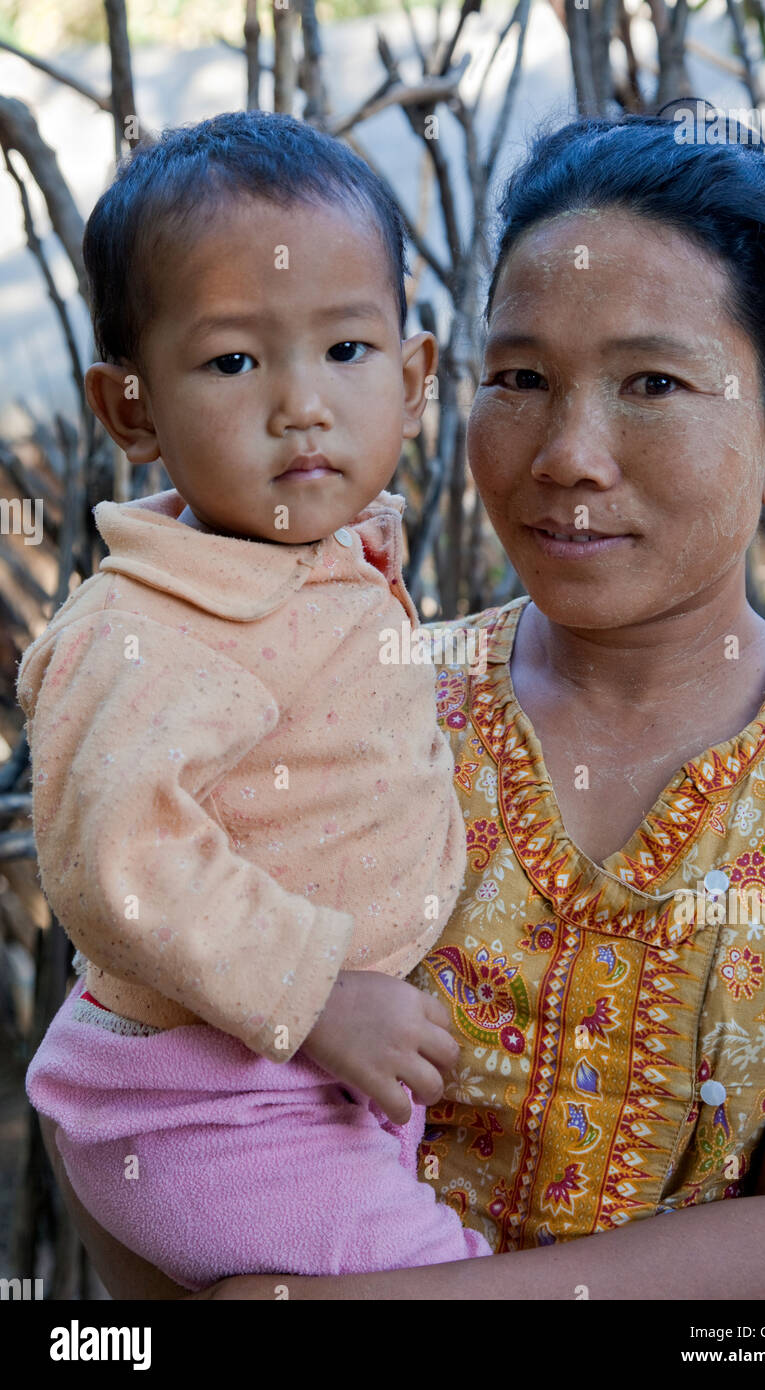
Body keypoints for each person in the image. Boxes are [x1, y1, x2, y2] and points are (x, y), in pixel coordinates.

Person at [129, 107, 765, 1299]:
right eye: (518, 377)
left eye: (651, 382)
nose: (567, 452)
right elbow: (145, 1077)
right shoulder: (352, 697)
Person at [18, 110, 491, 1291]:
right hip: (201, 1100)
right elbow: (118, 861)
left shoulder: (321, 554)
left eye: (345, 352)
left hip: (293, 1083)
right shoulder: (143, 628)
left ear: (414, 373)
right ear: (130, 411)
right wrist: (317, 993)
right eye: (233, 361)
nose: (301, 404)